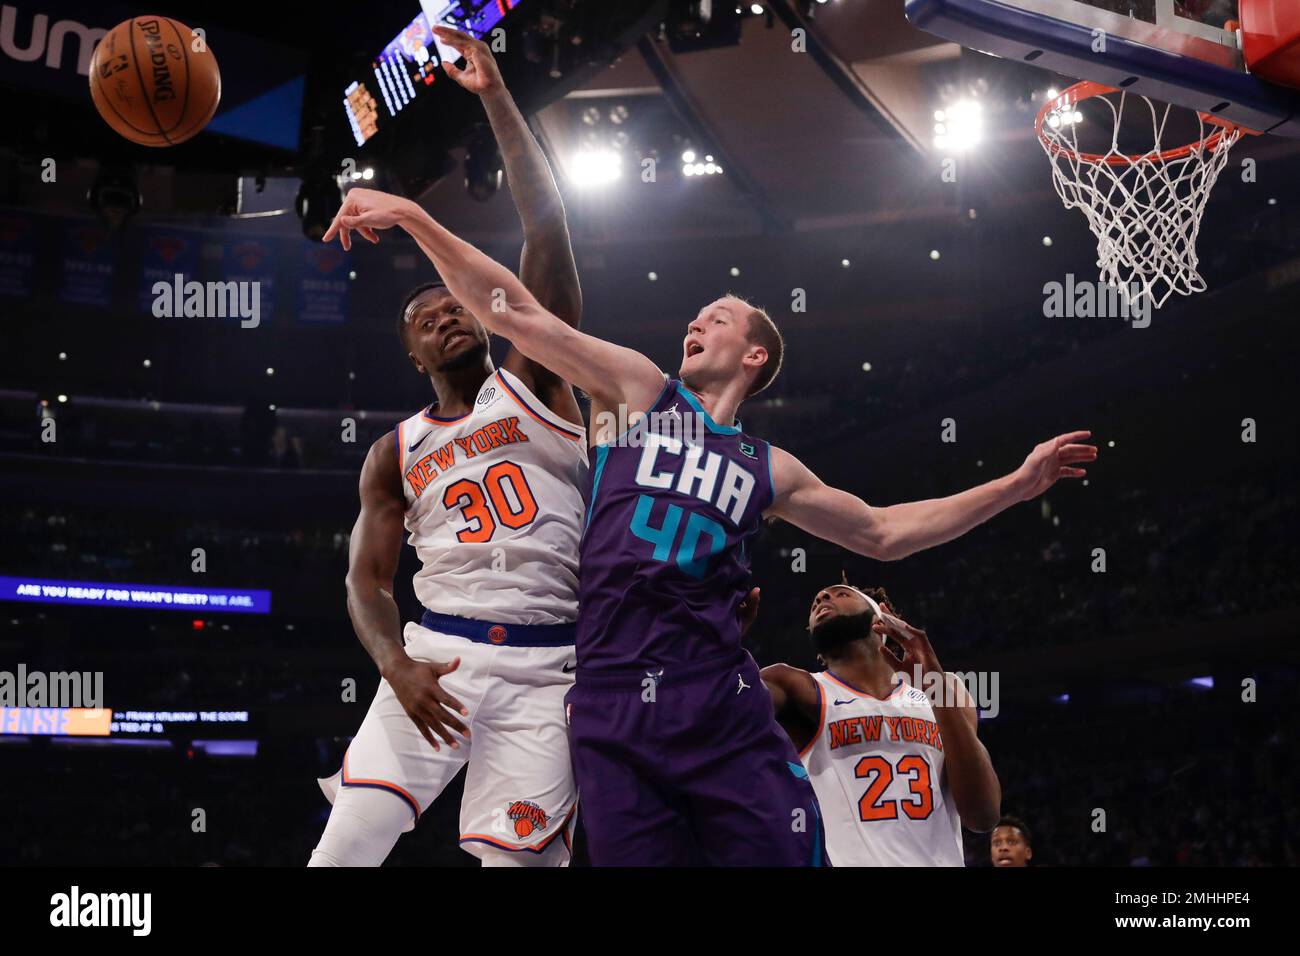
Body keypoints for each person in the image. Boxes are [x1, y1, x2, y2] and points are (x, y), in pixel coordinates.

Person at [320, 174, 1096, 866]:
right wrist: (415, 218)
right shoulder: (637, 392)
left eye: (716, 317)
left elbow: (885, 531)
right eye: (697, 316)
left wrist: (1017, 485)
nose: (696, 321)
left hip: (717, 692)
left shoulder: (770, 465)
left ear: (754, 355)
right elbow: (512, 310)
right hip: (609, 691)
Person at [309, 26, 585, 867]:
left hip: (552, 665)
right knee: (348, 845)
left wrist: (497, 95)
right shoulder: (394, 451)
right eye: (424, 318)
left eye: (454, 306)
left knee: (516, 865)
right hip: (440, 652)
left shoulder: (535, 379)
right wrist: (395, 663)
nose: (445, 314)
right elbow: (366, 578)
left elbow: (546, 228)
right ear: (414, 355)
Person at [760, 583, 1001, 866]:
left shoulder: (945, 691)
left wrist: (937, 691)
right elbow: (722, 702)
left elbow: (983, 815)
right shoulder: (794, 687)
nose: (822, 597)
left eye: (841, 593)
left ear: (880, 621)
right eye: (817, 599)